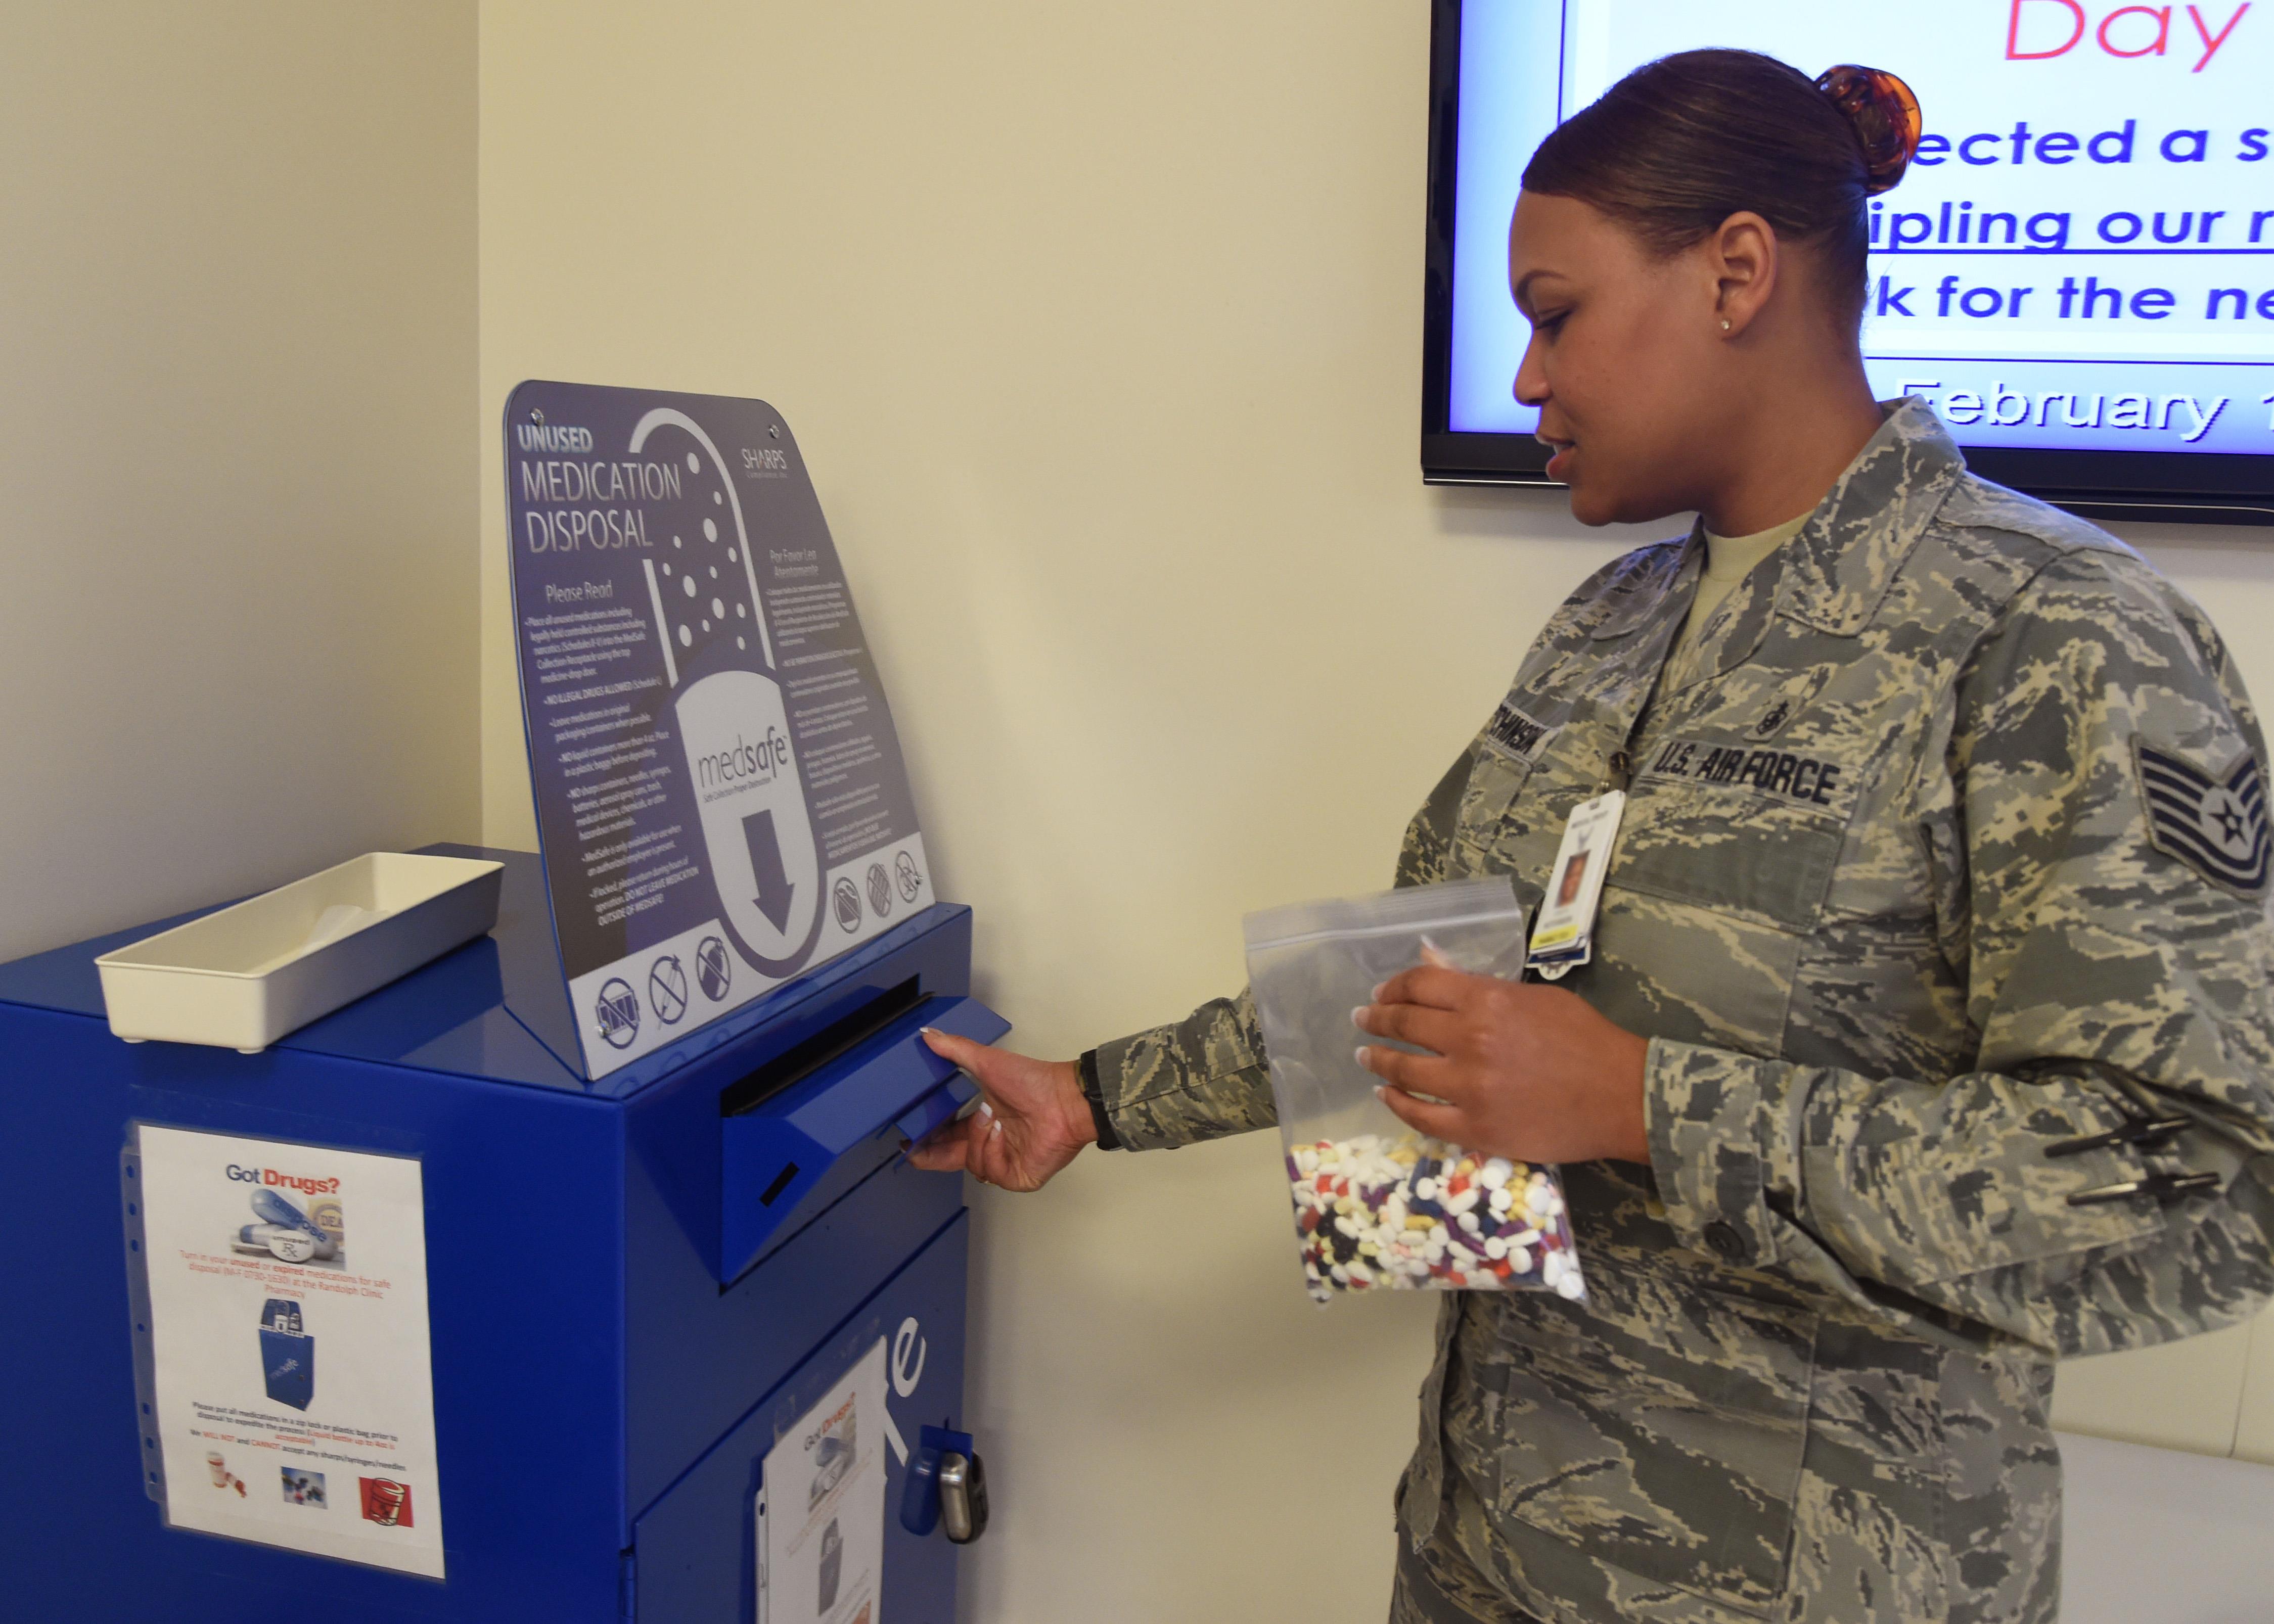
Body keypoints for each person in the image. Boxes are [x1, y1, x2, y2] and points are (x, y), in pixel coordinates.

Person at [912, 48, 2274, 1624]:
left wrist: (1641, 1103)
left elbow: (2190, 1185)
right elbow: (1426, 995)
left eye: (1554, 314)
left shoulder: (2056, 634)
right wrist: (1096, 1099)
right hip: (1487, 1550)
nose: (1524, 378)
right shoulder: (1614, 623)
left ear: (1736, 273)